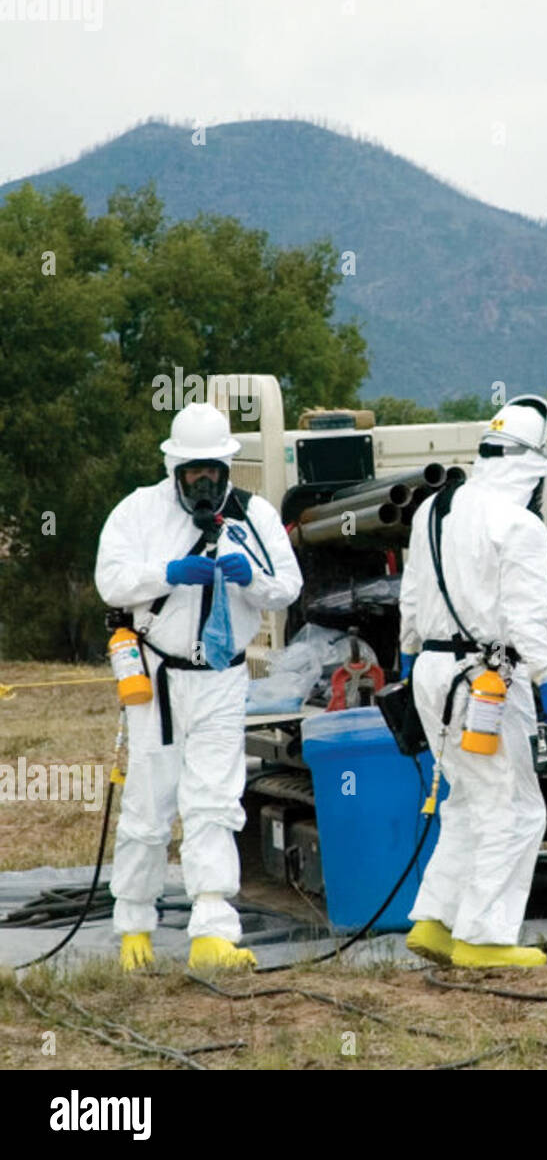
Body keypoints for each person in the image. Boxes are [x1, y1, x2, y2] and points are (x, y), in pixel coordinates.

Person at [95, 403, 302, 971]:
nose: (203, 483)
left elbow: (288, 586)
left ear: (226, 468)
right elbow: (110, 581)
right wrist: (167, 573)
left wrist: (251, 579)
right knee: (149, 803)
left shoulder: (252, 515)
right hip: (159, 677)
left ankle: (212, 927)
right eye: (193, 473)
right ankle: (134, 923)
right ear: (174, 470)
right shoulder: (139, 511)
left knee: (215, 800)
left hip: (222, 677)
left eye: (212, 471)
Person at [399, 395, 547, 968]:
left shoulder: (432, 509)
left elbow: (409, 597)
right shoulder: (519, 524)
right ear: (531, 463)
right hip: (486, 680)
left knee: (467, 801)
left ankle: (436, 922)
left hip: (430, 672)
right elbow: (526, 621)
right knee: (516, 808)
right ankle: (485, 938)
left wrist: (409, 663)